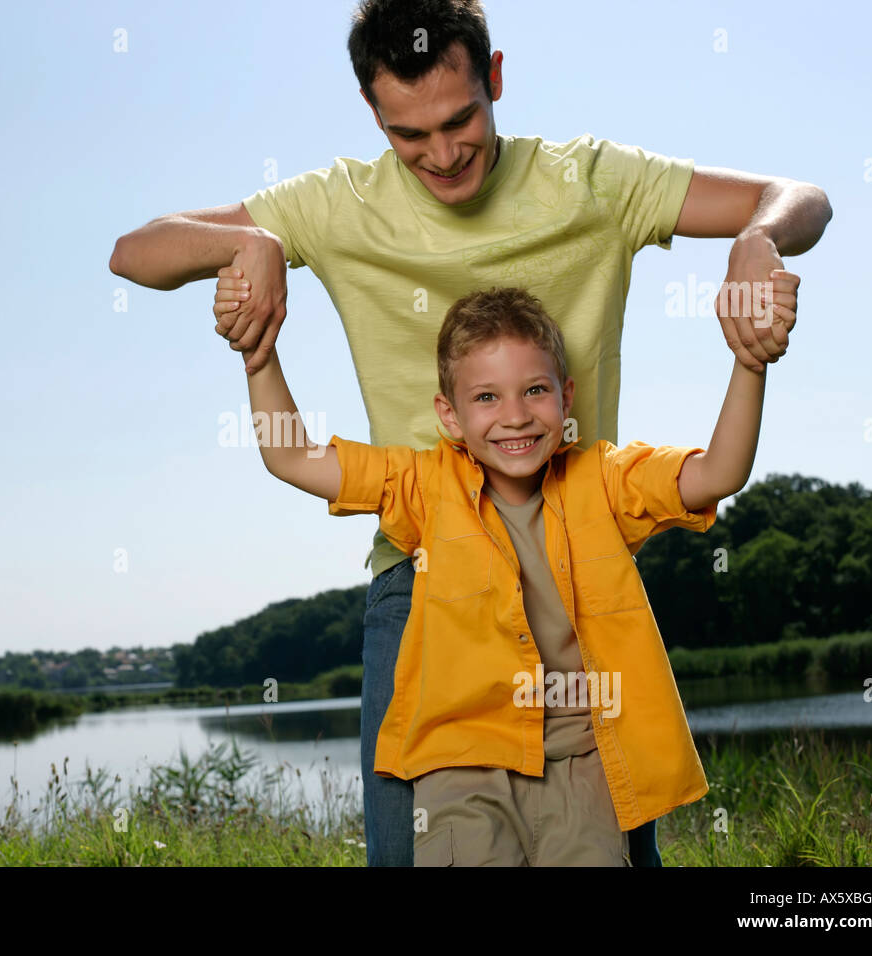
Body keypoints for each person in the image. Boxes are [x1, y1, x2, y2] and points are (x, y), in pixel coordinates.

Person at [109, 0, 831, 865]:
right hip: (423, 584)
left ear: (494, 79)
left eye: (461, 120)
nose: (444, 156)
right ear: (373, 115)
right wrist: (253, 242)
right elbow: (135, 252)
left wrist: (758, 235)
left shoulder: (592, 180)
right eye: (409, 135)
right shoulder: (335, 204)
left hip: (578, 572)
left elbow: (802, 199)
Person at [219, 279, 797, 865]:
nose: (515, 417)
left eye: (535, 390)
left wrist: (750, 364)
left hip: (583, 765)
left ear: (566, 397)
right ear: (449, 415)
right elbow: (291, 456)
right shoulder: (423, 486)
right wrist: (259, 356)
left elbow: (719, 473)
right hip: (461, 768)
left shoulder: (606, 478)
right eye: (487, 398)